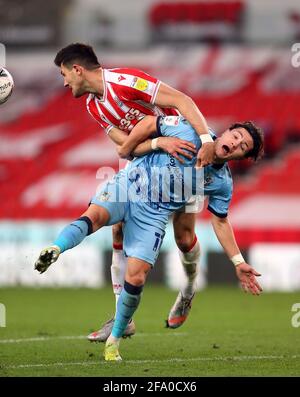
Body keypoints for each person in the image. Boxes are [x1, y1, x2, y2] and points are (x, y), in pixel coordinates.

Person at [34, 114, 264, 361]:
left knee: (138, 275)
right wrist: (158, 143)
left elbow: (220, 220)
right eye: (237, 136)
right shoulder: (190, 130)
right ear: (227, 131)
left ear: (241, 157)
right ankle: (56, 249)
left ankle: (114, 341)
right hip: (129, 185)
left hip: (154, 214)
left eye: (243, 148)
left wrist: (238, 262)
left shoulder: (221, 182)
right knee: (95, 216)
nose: (236, 144)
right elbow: (149, 124)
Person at [54, 43, 216, 342]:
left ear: (77, 69)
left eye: (65, 74)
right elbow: (125, 147)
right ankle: (122, 317)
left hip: (182, 156)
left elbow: (181, 100)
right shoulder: (92, 105)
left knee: (183, 239)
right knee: (117, 228)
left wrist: (205, 139)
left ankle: (189, 287)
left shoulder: (125, 81)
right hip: (145, 160)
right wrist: (157, 144)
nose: (64, 82)